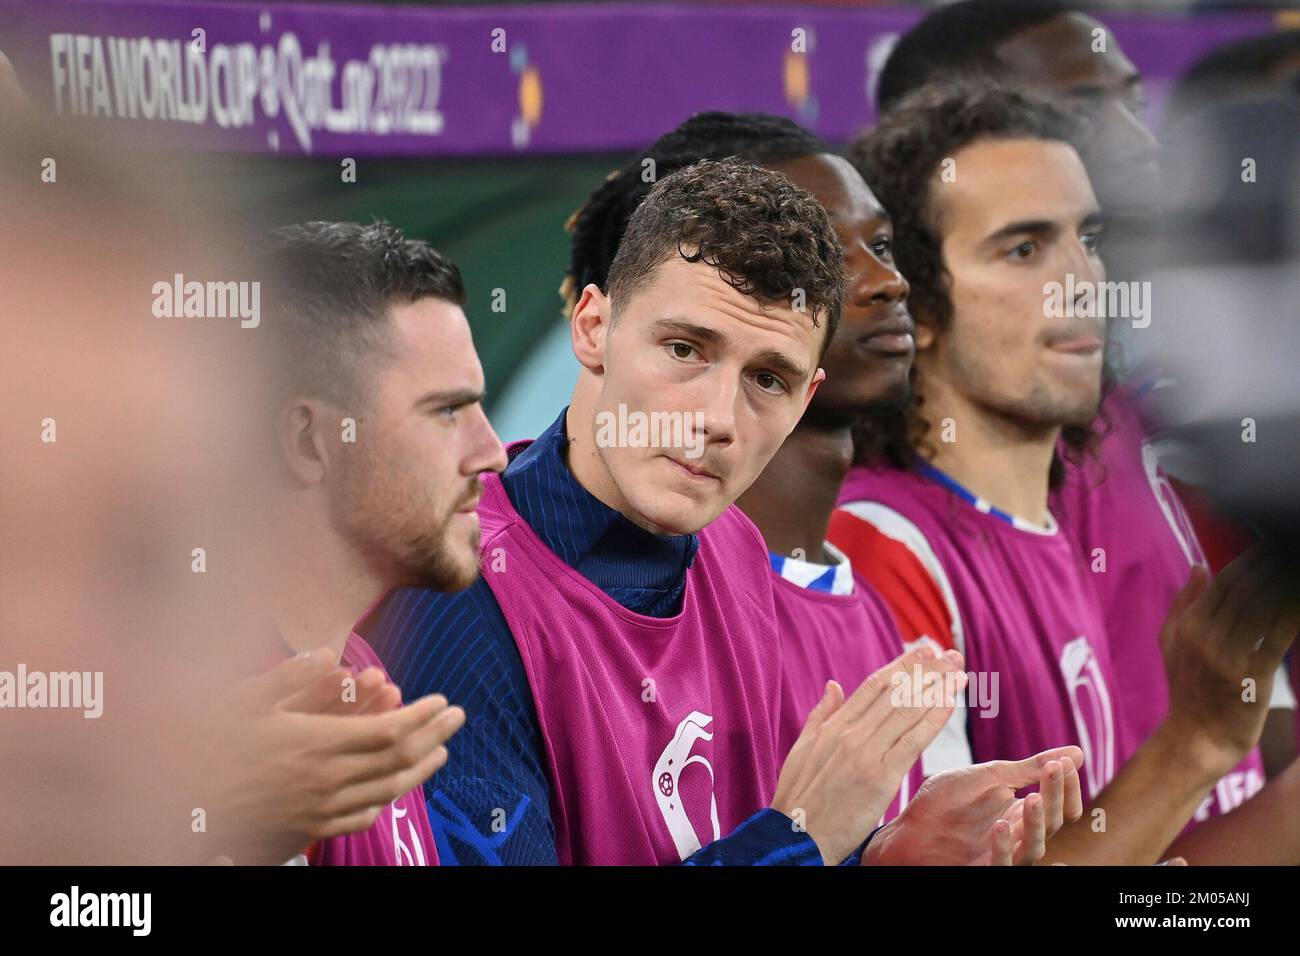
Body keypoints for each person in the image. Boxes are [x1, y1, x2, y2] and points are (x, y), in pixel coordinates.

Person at [368, 157, 976, 866]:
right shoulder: (457, 590)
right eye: (685, 349)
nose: (717, 419)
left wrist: (879, 860)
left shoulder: (735, 547)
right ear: (593, 327)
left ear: (806, 399)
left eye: (767, 379)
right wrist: (800, 840)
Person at [564, 112, 1083, 860]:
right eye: (814, 252)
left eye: (879, 243)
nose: (888, 281)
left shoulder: (863, 606)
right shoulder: (609, 602)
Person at [833, 82, 1300, 864]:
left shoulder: (1104, 510)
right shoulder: (884, 547)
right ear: (922, 304)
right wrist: (1198, 740)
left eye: (1089, 237)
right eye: (1024, 248)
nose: (1084, 277)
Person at [221, 220, 508, 864]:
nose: (492, 452)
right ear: (307, 441)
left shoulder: (361, 670)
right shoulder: (195, 703)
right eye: (446, 411)